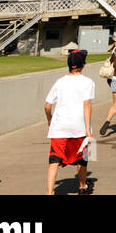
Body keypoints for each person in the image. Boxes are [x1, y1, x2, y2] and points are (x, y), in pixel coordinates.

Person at [45, 50, 95, 195]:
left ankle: (49, 192)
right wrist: (88, 130)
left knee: (54, 161)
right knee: (82, 159)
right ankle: (82, 186)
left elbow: (47, 105)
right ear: (83, 65)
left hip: (59, 127)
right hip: (79, 126)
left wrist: (49, 119)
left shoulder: (59, 82)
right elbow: (87, 105)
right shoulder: (88, 82)